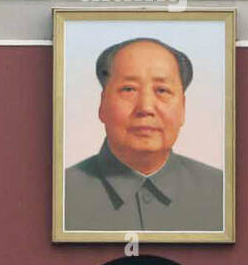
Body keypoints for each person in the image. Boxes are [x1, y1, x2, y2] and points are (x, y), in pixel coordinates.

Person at [63, 38, 224, 232]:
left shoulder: (223, 193)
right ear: (102, 104)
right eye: (129, 89)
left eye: (162, 90)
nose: (146, 107)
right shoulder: (61, 194)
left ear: (183, 108)